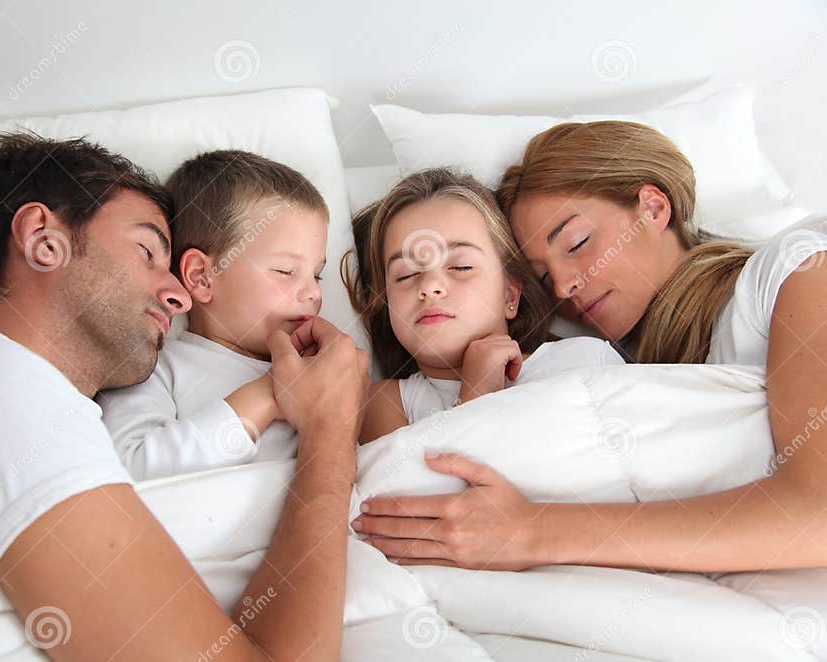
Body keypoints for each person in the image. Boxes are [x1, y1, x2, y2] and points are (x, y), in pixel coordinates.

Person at [0, 132, 368, 661]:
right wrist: (327, 434)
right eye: (147, 252)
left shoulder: (2, 400)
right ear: (45, 241)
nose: (178, 294)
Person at [350, 121, 827, 573]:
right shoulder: (637, 368)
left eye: (576, 242)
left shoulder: (797, 274)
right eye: (541, 276)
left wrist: (532, 532)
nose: (562, 286)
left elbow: (819, 513)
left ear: (654, 208)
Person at [341, 168, 623, 445]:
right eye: (406, 274)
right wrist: (476, 394)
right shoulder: (388, 406)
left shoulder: (584, 360)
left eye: (460, 266)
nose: (428, 286)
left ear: (510, 295)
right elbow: (425, 488)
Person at [99, 150, 329, 477]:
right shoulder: (155, 368)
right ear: (201, 277)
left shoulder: (319, 365)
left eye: (317, 275)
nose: (314, 293)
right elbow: (131, 465)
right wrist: (270, 393)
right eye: (286, 271)